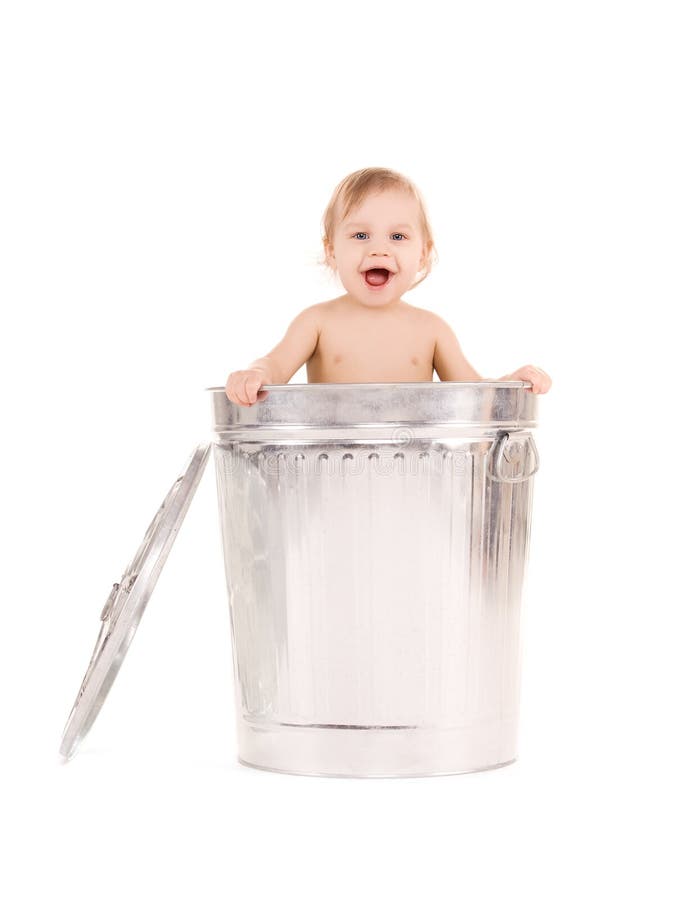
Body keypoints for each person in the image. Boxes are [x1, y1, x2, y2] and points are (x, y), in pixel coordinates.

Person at [225, 167, 552, 406]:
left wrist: (510, 385)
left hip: (412, 473)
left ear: (422, 254)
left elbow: (476, 396)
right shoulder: (317, 323)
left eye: (398, 237)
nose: (379, 250)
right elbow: (275, 366)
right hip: (333, 471)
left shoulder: (431, 330)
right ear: (331, 251)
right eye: (360, 235)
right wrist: (254, 375)